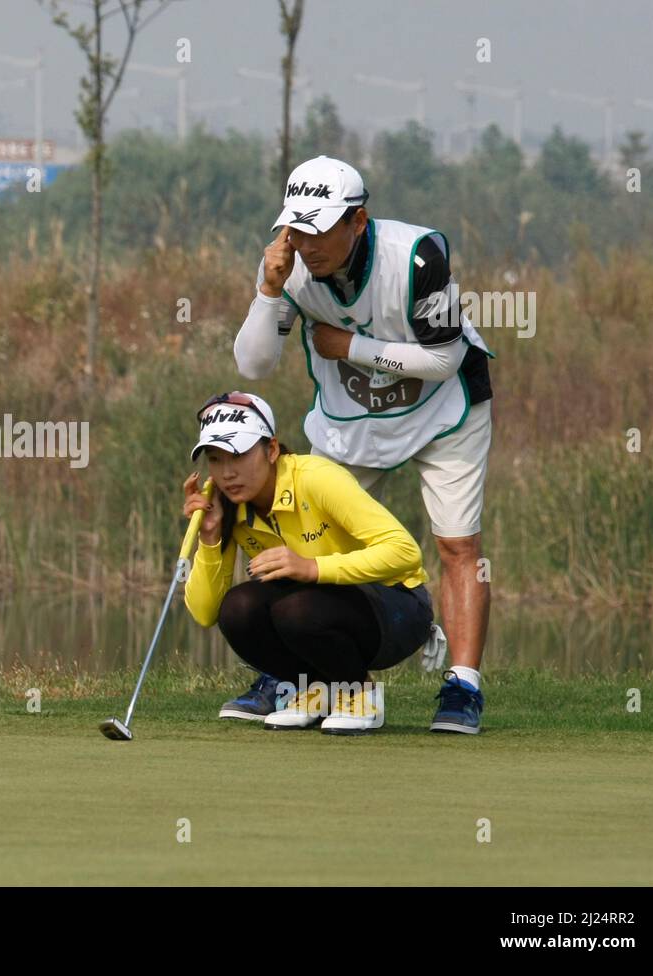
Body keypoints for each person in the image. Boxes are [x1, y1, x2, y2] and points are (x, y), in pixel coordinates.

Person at [234, 155, 492, 734]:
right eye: (297, 228)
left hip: (445, 411)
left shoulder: (419, 256)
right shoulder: (287, 268)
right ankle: (300, 674)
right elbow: (254, 364)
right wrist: (269, 289)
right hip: (353, 417)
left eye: (322, 227)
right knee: (311, 536)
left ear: (358, 221)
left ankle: (462, 687)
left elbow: (447, 356)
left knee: (456, 547)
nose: (308, 243)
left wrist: (350, 347)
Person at [182, 391, 434, 734]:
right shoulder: (229, 508)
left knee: (297, 607)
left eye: (238, 456)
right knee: (238, 608)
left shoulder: (316, 477)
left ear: (271, 450)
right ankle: (313, 687)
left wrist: (312, 568)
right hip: (319, 610)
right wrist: (209, 539)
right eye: (216, 459)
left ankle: (359, 692)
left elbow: (405, 551)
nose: (227, 473)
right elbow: (205, 612)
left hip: (398, 607)